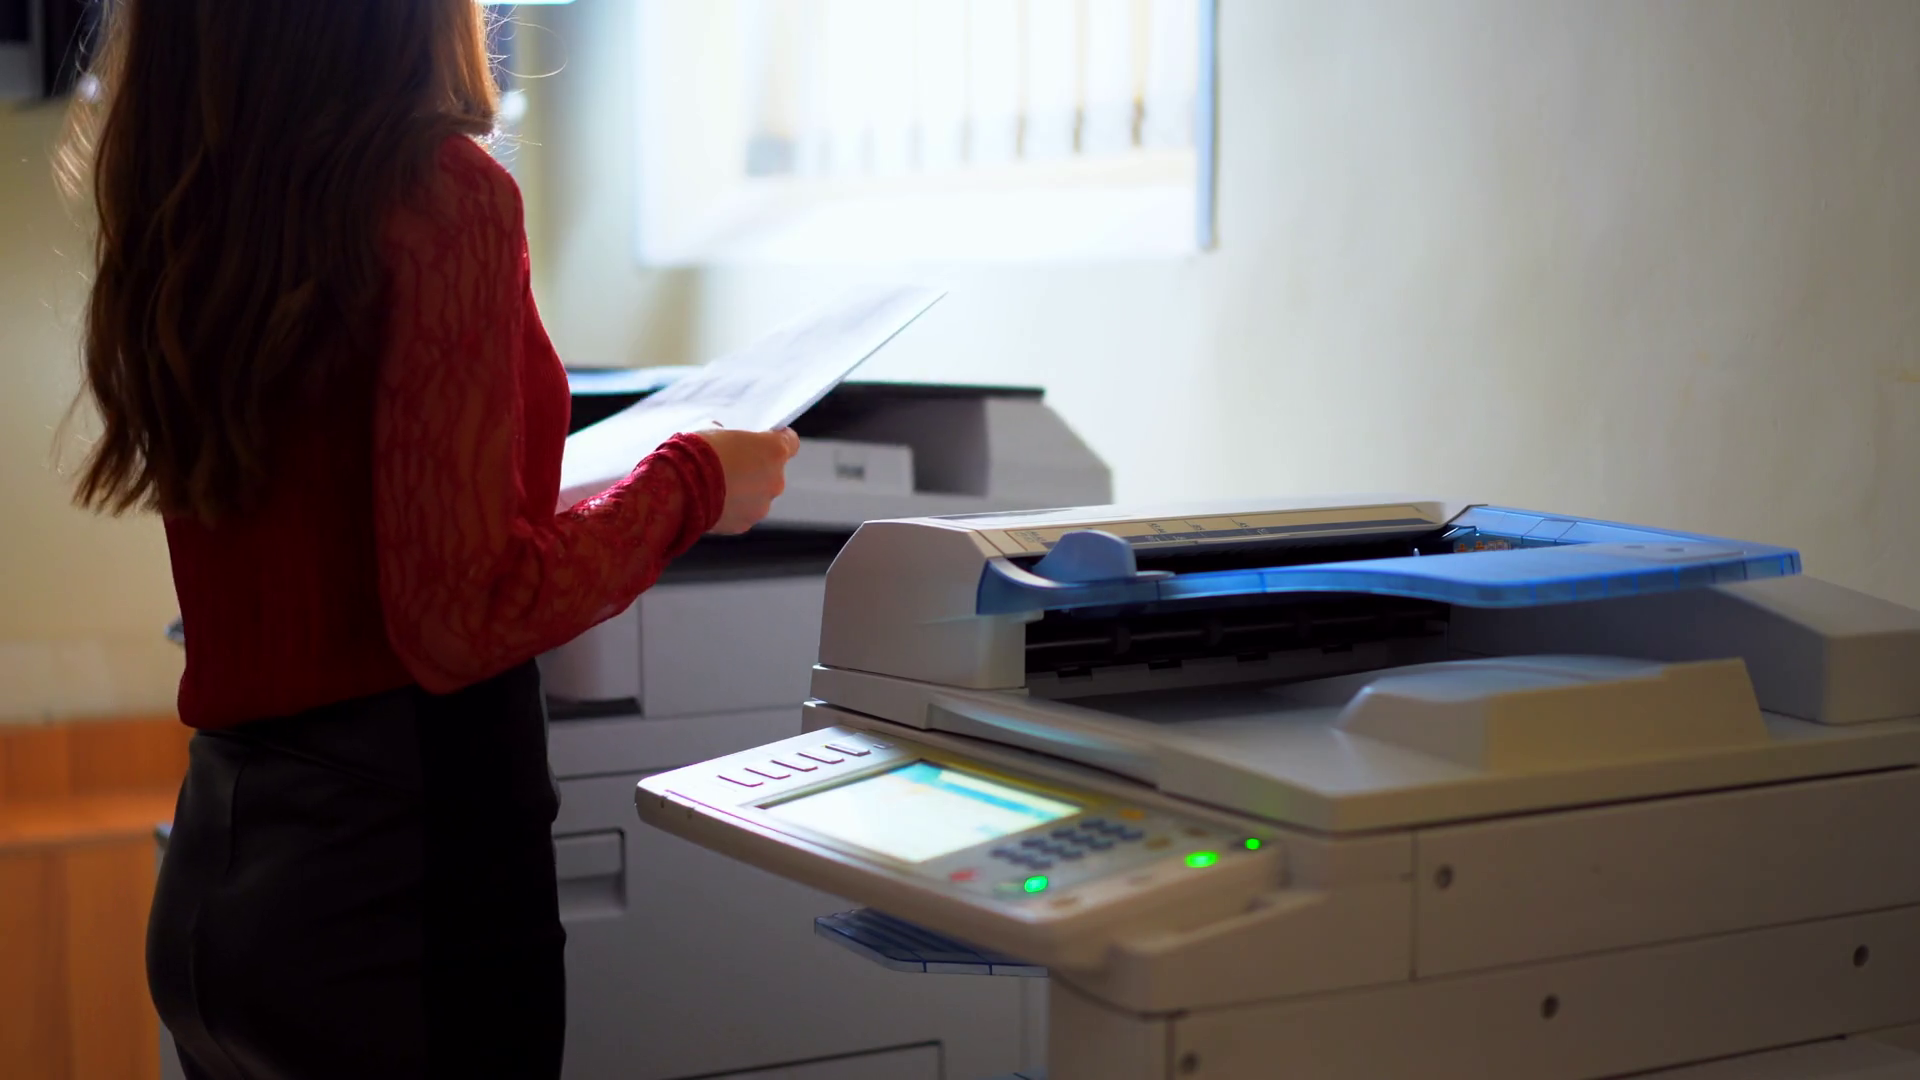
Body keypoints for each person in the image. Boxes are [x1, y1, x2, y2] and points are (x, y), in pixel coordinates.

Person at [59, 2, 798, 1077]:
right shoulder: (439, 194)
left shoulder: (198, 201)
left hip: (225, 884)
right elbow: (462, 615)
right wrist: (694, 483)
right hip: (402, 896)